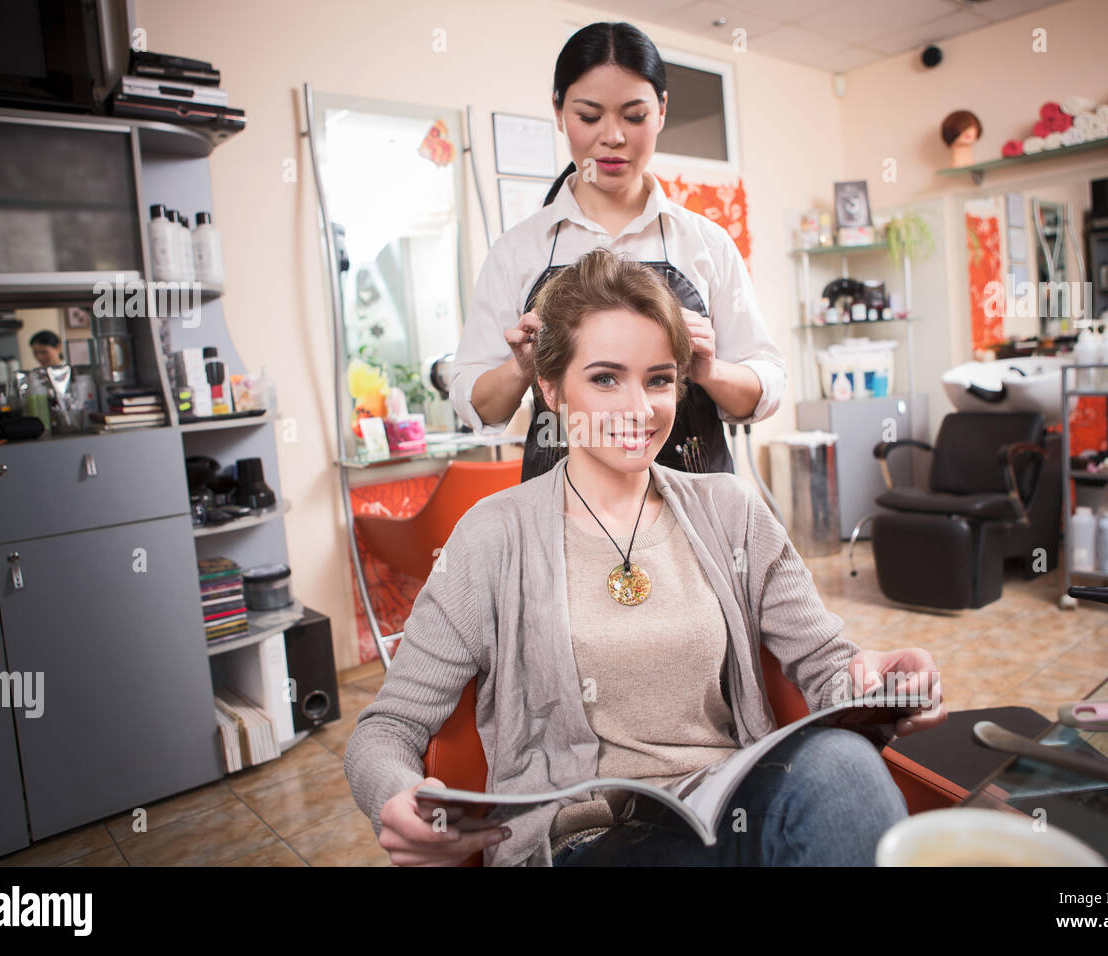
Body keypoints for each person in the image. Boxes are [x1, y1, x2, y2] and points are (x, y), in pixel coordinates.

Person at [345, 250, 945, 867]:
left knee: (844, 765)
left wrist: (884, 685)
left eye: (659, 379)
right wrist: (397, 796)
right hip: (588, 846)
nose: (640, 407)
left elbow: (828, 668)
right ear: (551, 389)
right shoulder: (492, 538)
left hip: (731, 817)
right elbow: (386, 729)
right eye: (606, 378)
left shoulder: (733, 511)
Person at [449, 21, 785, 482]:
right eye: (589, 116)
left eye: (634, 116)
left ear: (662, 111)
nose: (613, 137)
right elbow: (475, 406)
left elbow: (764, 389)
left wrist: (709, 370)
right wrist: (521, 368)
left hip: (698, 506)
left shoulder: (705, 244)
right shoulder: (517, 251)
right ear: (558, 110)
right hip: (564, 515)